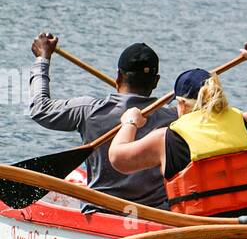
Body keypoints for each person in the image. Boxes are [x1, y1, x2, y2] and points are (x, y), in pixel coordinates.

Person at [108, 43, 247, 218]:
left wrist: (130, 122)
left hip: (201, 233)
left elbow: (118, 158)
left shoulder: (165, 139)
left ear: (181, 104)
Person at [29, 33, 176, 210]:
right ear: (156, 81)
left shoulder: (88, 110)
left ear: (118, 77)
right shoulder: (174, 118)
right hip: (155, 215)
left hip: (100, 212)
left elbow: (40, 108)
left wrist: (42, 59)